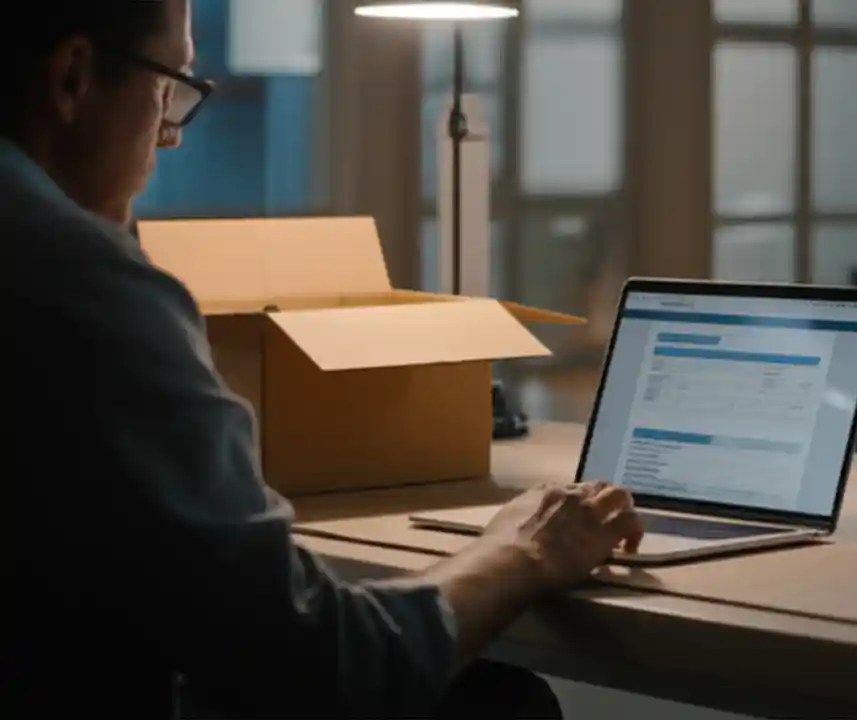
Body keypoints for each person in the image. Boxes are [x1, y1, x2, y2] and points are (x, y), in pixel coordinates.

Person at [0, 1, 643, 718]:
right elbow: (315, 663)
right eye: (168, 87)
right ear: (73, 77)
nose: (171, 135)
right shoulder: (84, 287)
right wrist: (524, 551)